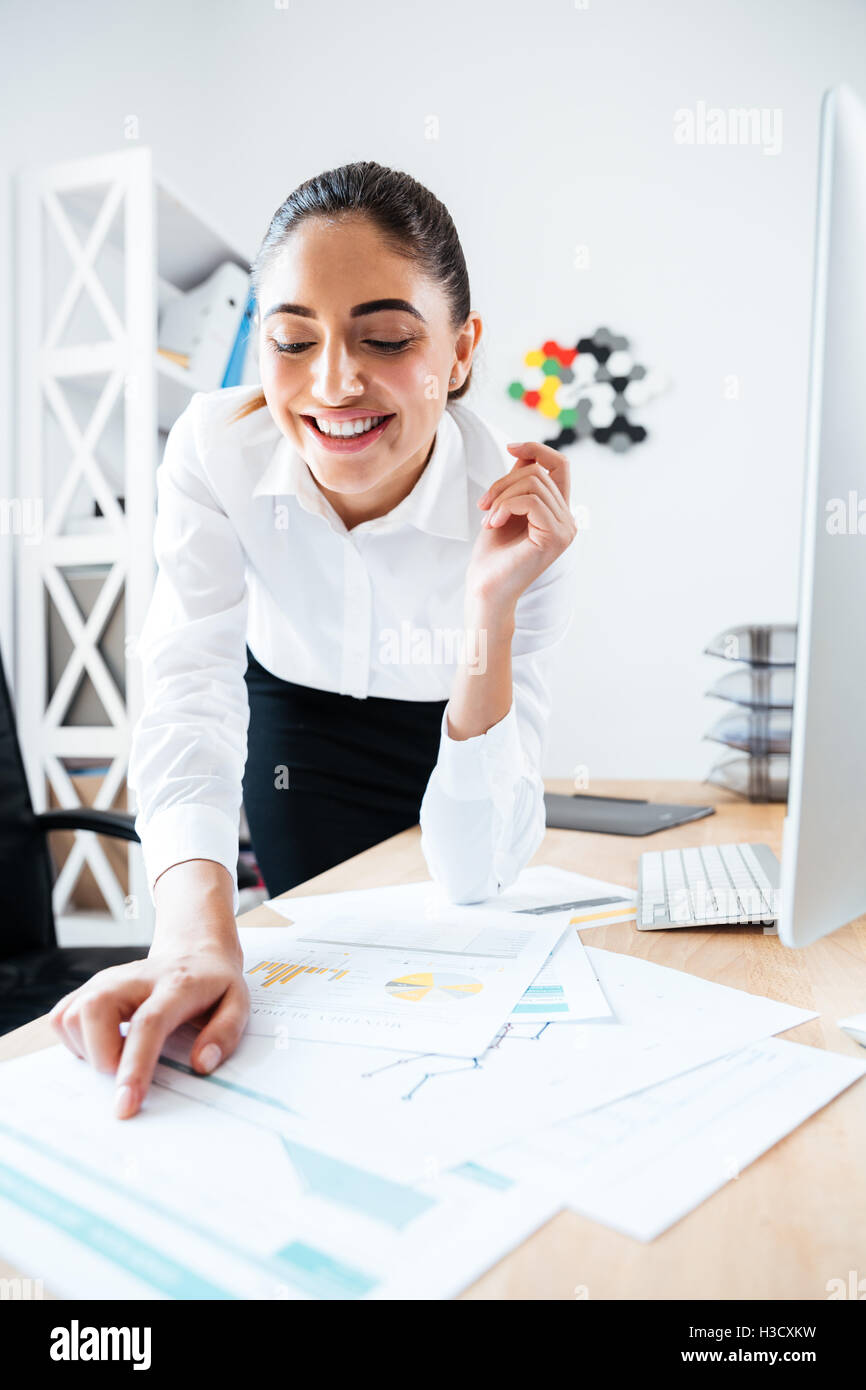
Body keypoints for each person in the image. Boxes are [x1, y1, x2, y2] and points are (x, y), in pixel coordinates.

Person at [49, 160, 579, 1117]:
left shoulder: (516, 515)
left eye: (383, 337)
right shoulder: (215, 450)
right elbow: (189, 685)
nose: (334, 382)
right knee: (334, 1009)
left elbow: (476, 869)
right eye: (292, 340)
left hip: (456, 717)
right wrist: (193, 931)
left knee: (466, 943)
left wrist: (489, 611)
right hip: (296, 728)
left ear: (461, 352)